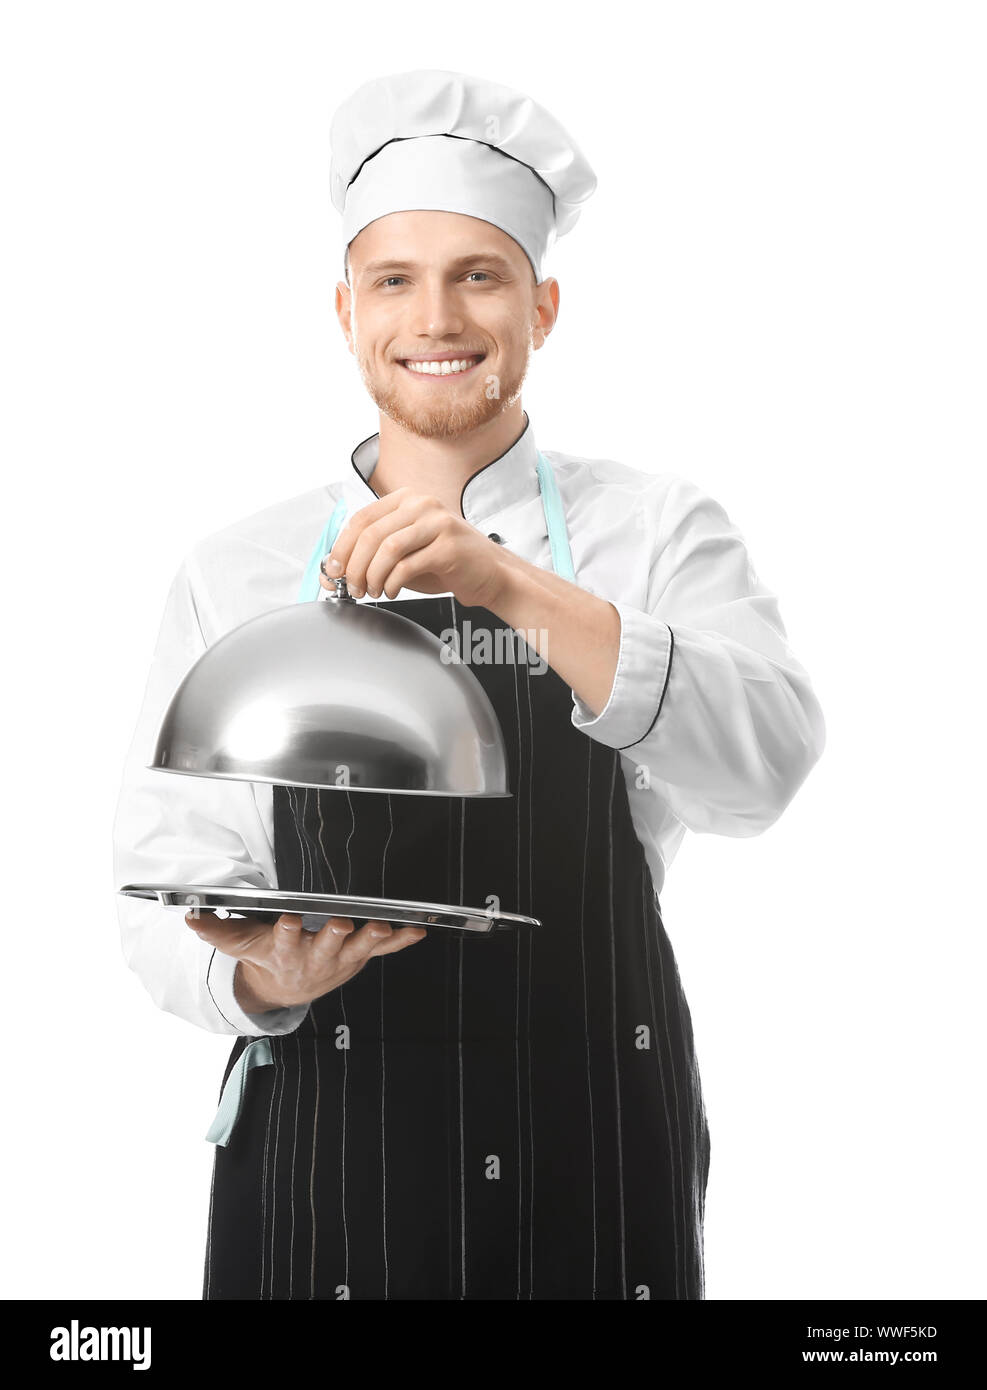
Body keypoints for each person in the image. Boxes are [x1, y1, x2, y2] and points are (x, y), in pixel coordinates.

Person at [113, 68, 826, 1302]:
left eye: (479, 275)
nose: (435, 315)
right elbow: (161, 883)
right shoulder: (234, 571)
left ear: (543, 306)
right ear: (345, 311)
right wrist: (258, 974)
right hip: (332, 1155)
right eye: (396, 278)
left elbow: (765, 766)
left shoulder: (652, 532)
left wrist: (513, 587)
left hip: (593, 1138)